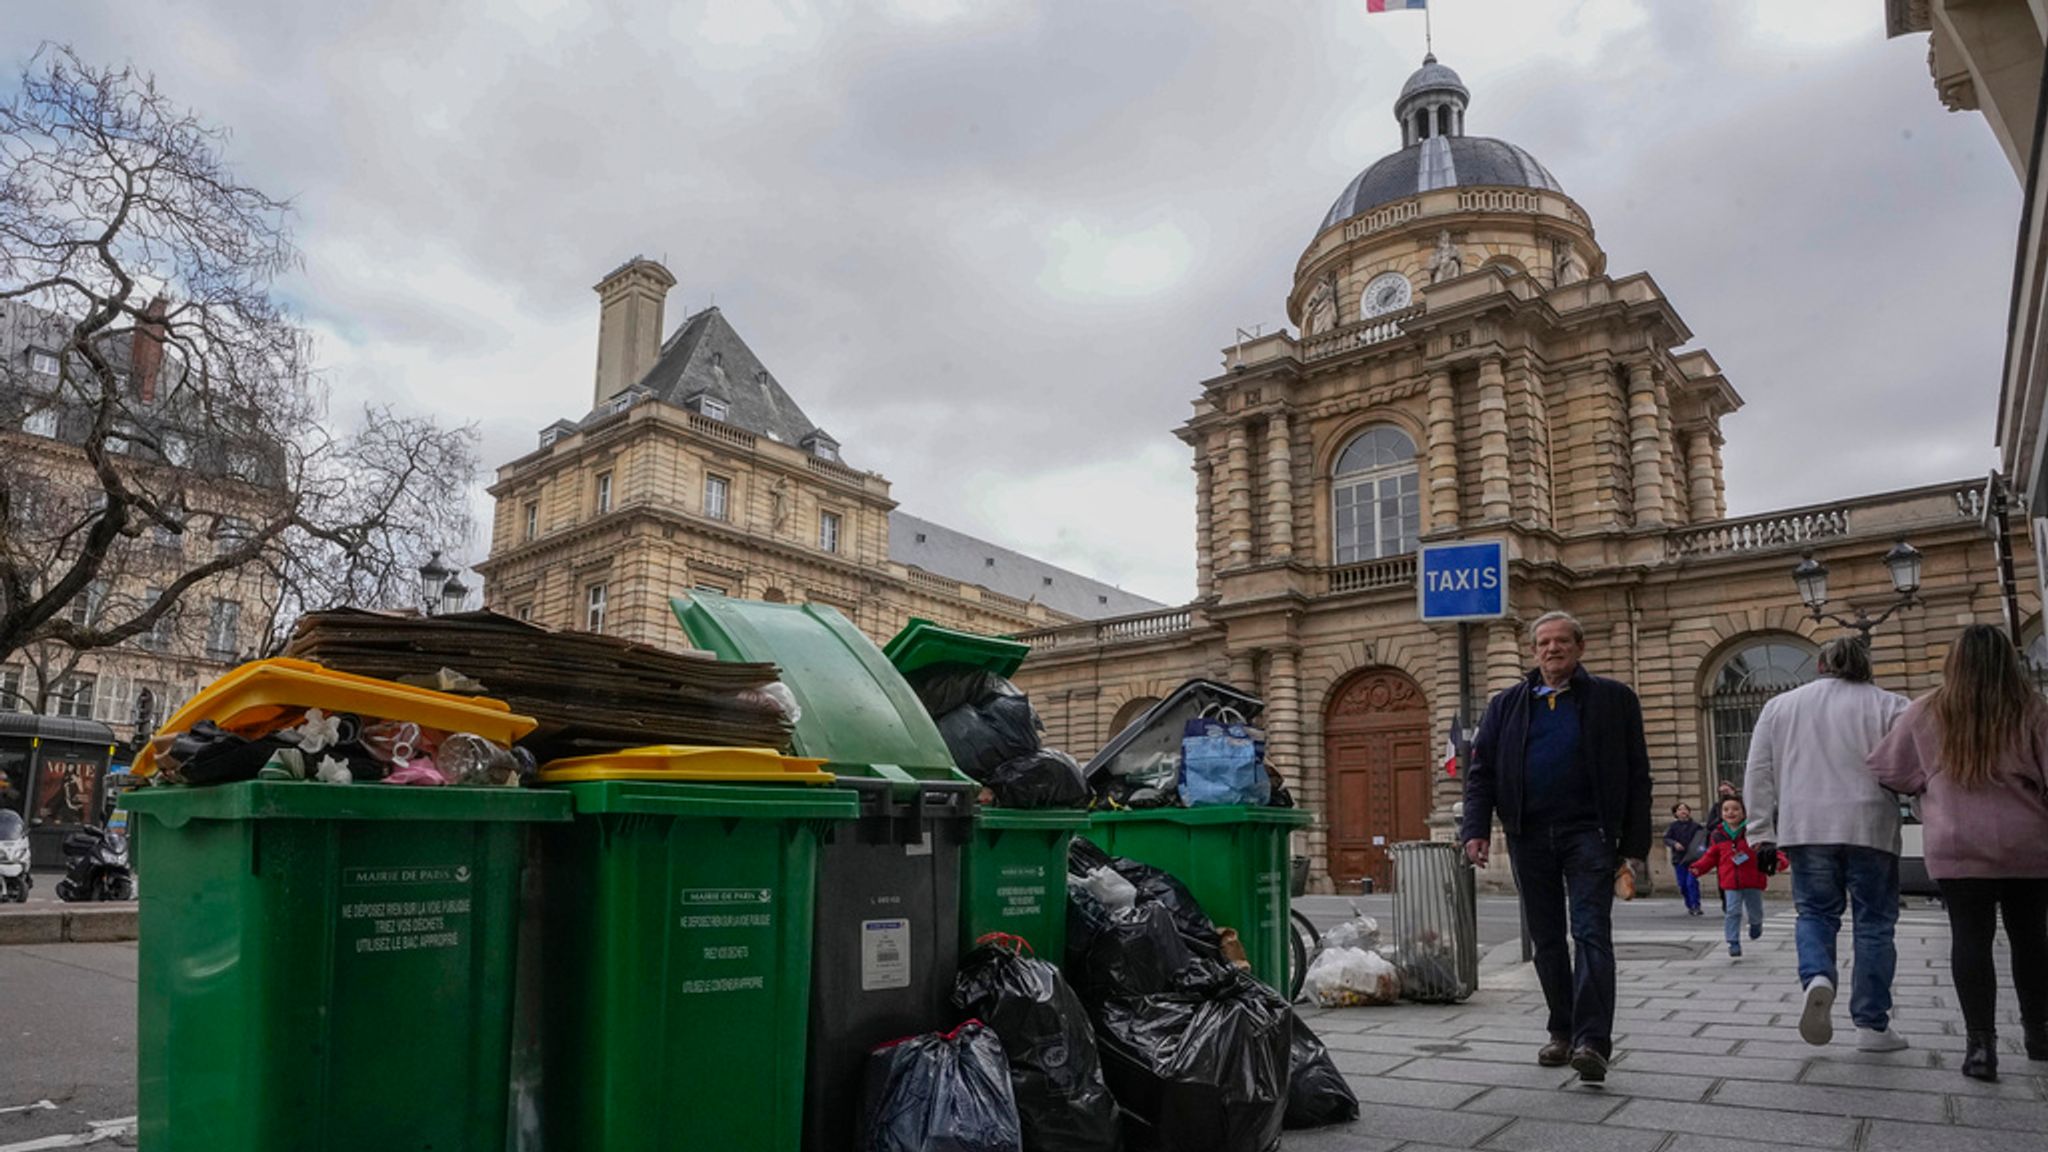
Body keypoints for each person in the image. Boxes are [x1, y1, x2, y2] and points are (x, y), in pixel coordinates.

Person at [1461, 610, 1652, 1084]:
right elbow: (1481, 772)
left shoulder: (1614, 700)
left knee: (1590, 933)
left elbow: (1637, 773)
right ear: (1533, 652)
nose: (1552, 649)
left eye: (1562, 641)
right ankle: (1562, 1030)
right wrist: (1475, 828)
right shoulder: (1507, 705)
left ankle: (1592, 1041)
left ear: (1580, 647)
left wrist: (1635, 844)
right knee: (1546, 939)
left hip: (1590, 833)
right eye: (1543, 643)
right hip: (1529, 835)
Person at [1868, 624, 2048, 1082]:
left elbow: (1887, 768)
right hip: (2027, 844)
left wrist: (1928, 783)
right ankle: (2039, 1034)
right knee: (2031, 940)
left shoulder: (1926, 711)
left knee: (1970, 939)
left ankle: (1980, 1048)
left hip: (1956, 843)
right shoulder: (2031, 709)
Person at [1741, 635, 1910, 1051]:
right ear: (1865, 665)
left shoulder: (1780, 707)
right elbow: (1912, 771)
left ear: (1819, 666)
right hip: (1871, 825)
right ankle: (1872, 1026)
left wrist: (1760, 833)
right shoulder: (1893, 706)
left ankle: (1817, 976)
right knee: (1874, 923)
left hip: (1806, 826)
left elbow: (1758, 772)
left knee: (1815, 914)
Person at [1692, 795, 1787, 957]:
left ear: (1744, 812)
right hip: (1730, 881)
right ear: (1721, 813)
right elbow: (1711, 856)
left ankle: (1756, 924)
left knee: (1755, 910)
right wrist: (1698, 868)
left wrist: (1779, 861)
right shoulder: (1718, 834)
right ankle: (1733, 941)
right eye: (1726, 809)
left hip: (1753, 880)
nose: (1731, 813)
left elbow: (1770, 851)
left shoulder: (1753, 832)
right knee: (1732, 911)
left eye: (1736, 809)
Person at [1662, 802, 1705, 916]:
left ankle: (1696, 905)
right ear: (1675, 813)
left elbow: (1703, 839)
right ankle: (1690, 905)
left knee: (1691, 882)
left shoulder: (1696, 826)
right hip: (1679, 859)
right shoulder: (1673, 826)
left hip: (1693, 859)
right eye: (1680, 809)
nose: (1683, 811)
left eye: (1685, 809)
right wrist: (1674, 843)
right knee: (1682, 884)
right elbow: (1666, 838)